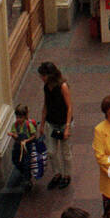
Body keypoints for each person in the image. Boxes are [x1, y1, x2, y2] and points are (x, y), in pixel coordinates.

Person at [38, 61, 73, 189]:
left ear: (50, 75)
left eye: (43, 75)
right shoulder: (46, 87)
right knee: (52, 152)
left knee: (65, 152)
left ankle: (66, 175)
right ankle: (57, 173)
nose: (42, 78)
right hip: (51, 122)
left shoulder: (62, 86)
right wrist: (42, 124)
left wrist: (68, 127)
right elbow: (46, 105)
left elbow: (69, 107)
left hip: (63, 123)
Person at [11, 103, 38, 189]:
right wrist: (14, 136)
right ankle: (23, 172)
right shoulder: (15, 125)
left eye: (20, 117)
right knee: (16, 159)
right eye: (17, 117)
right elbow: (15, 134)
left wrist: (27, 140)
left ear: (25, 117)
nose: (18, 119)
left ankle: (27, 179)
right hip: (18, 147)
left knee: (27, 162)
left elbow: (34, 136)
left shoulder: (28, 125)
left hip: (27, 147)